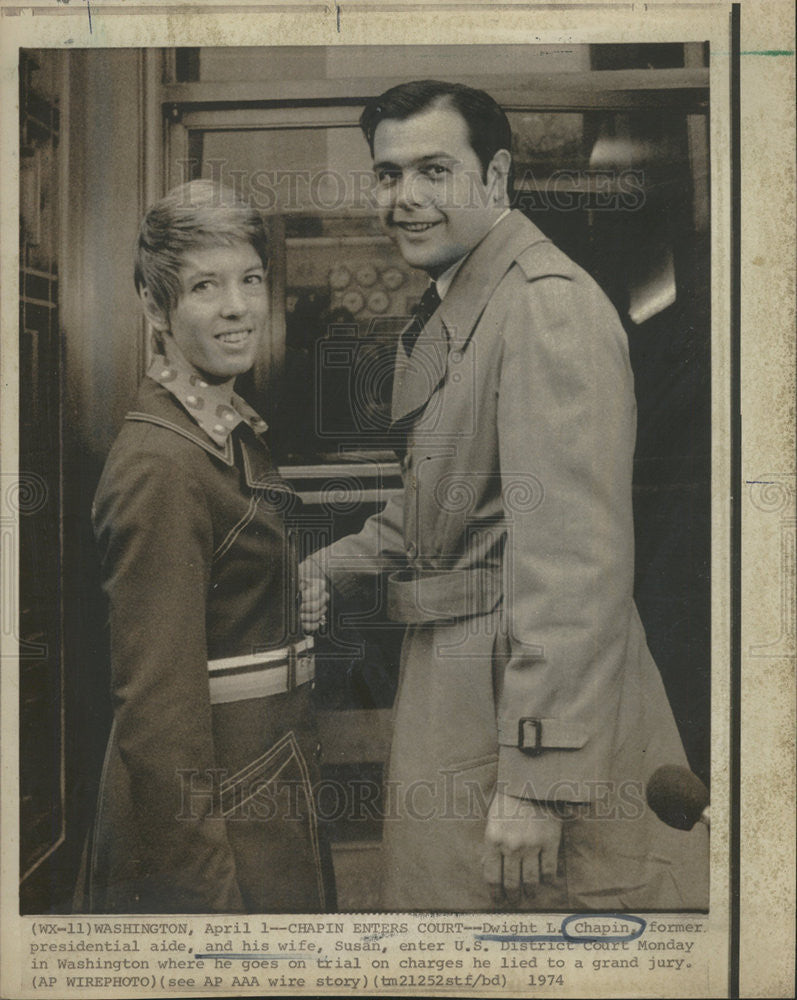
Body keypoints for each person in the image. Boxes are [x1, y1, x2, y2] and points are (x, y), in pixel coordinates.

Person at [303, 80, 708, 911]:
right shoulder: (473, 301)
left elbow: (574, 566)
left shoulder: (542, 309)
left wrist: (538, 780)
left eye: (433, 171)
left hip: (515, 717)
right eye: (386, 175)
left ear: (494, 175)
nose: (405, 198)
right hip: (468, 694)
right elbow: (440, 511)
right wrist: (325, 571)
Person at [81, 180, 334, 913]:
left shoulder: (222, 430)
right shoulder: (161, 464)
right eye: (205, 286)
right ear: (155, 308)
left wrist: (285, 594)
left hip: (261, 779)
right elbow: (159, 723)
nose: (237, 306)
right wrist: (207, 902)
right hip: (219, 814)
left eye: (250, 280)